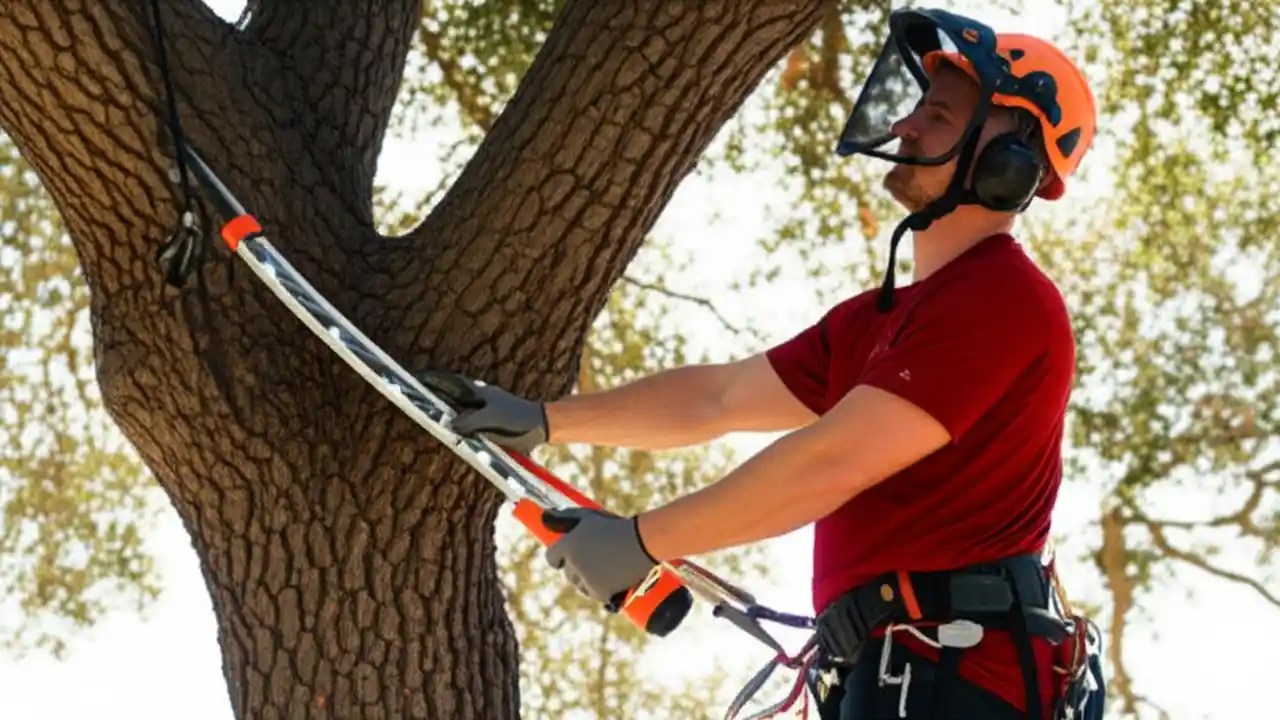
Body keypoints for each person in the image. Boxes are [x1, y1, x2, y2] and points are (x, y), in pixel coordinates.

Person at [418, 8, 1105, 719]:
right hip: (901, 671)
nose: (904, 125)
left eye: (937, 116)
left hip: (958, 680)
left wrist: (643, 540)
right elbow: (717, 398)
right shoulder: (874, 321)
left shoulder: (1003, 299)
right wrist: (545, 421)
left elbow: (831, 461)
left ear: (1008, 164)